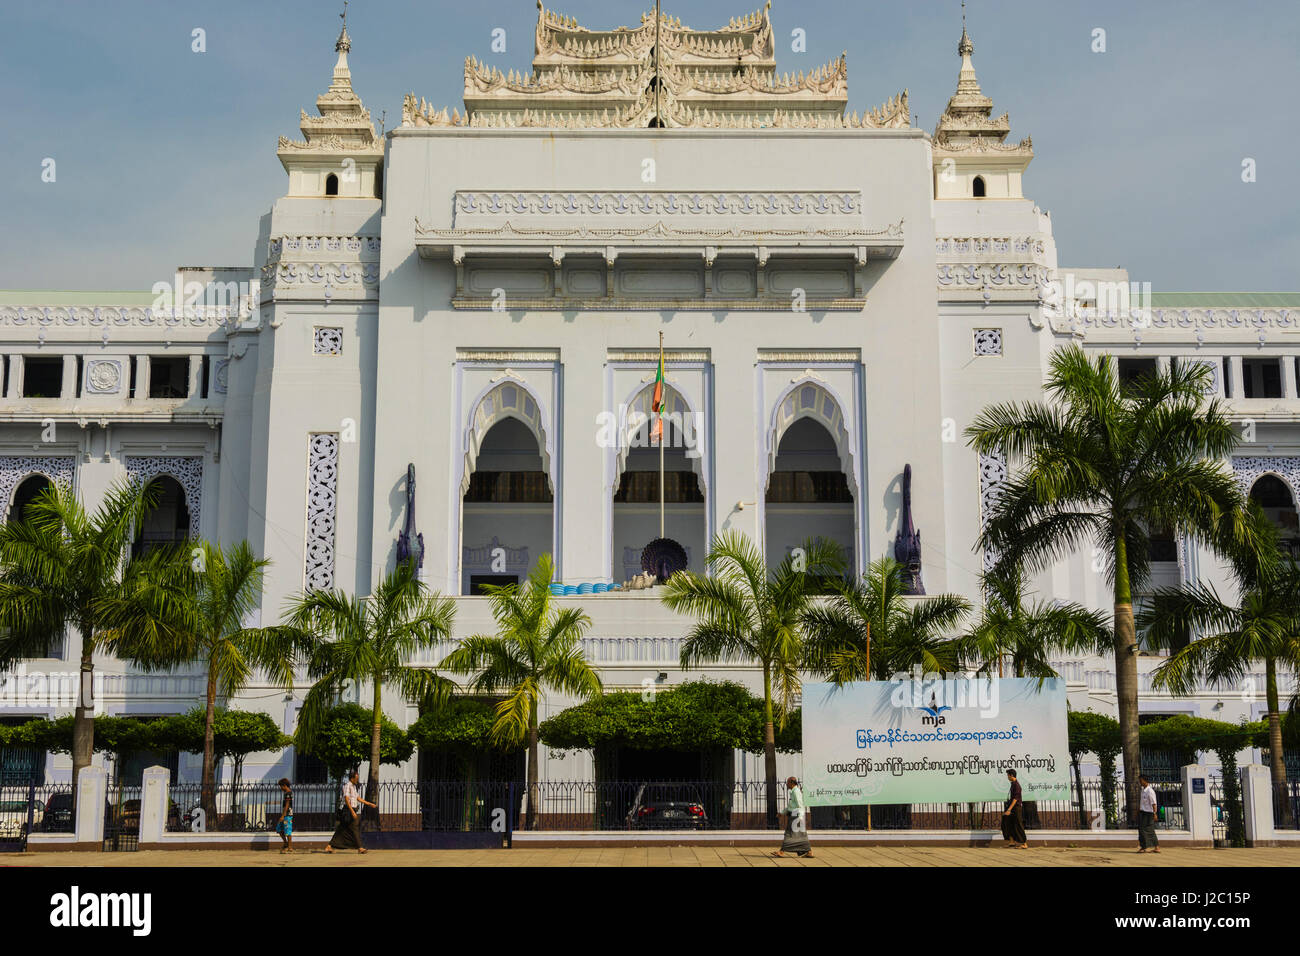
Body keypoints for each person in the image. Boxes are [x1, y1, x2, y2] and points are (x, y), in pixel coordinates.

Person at [326, 770, 376, 854]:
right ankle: (360, 847)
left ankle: (329, 846)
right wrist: (352, 811)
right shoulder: (347, 786)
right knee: (354, 827)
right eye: (356, 778)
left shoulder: (353, 786)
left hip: (351, 810)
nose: (357, 780)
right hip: (347, 810)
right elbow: (346, 799)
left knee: (342, 828)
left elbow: (357, 798)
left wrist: (369, 803)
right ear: (352, 778)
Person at [774, 776, 813, 858]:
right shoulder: (793, 792)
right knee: (801, 834)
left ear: (792, 783)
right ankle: (808, 851)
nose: (786, 784)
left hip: (796, 816)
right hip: (794, 815)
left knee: (789, 834)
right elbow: (790, 806)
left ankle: (782, 851)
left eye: (788, 782)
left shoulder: (796, 792)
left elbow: (800, 805)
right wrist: (782, 813)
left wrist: (800, 817)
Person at [1001, 769, 1028, 848]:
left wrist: (1009, 809)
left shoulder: (1016, 785)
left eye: (1008, 775)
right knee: (1007, 823)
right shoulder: (1013, 784)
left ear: (1011, 775)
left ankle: (1024, 843)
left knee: (1018, 824)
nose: (1007, 777)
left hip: (1016, 808)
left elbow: (1015, 799)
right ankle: (1011, 841)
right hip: (1012, 807)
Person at [1137, 774, 1160, 854]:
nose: (1140, 782)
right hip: (1143, 813)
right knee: (1146, 830)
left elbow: (1154, 803)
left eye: (1141, 780)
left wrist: (1155, 813)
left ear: (1145, 780)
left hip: (1148, 813)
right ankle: (1155, 847)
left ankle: (1144, 847)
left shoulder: (1150, 791)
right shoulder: (1143, 790)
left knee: (1145, 830)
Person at [275, 777, 294, 854]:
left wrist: (283, 816)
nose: (281, 788)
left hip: (288, 815)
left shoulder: (289, 793)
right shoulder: (286, 793)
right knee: (279, 829)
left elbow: (287, 805)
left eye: (281, 786)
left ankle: (290, 847)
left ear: (285, 785)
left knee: (287, 830)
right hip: (285, 814)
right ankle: (286, 843)